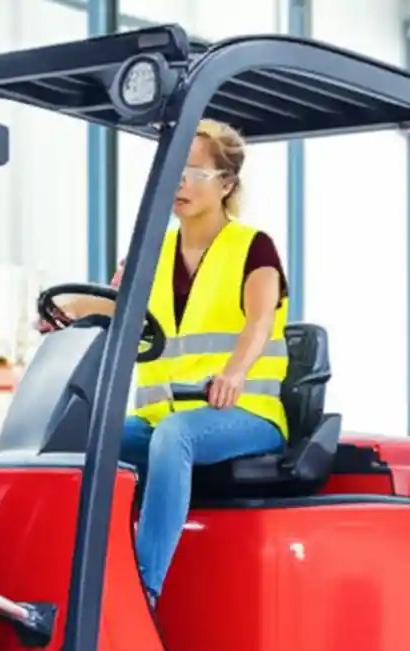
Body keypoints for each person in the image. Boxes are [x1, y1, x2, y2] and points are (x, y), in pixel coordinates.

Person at [116, 119, 291, 608]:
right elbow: (113, 306)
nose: (180, 184)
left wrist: (234, 372)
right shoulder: (151, 252)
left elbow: (259, 320)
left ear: (227, 184)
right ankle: (81, 580)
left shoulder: (254, 247)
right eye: (175, 172)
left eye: (195, 173)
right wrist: (63, 313)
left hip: (247, 413)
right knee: (83, 438)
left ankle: (143, 592)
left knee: (178, 437)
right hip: (162, 417)